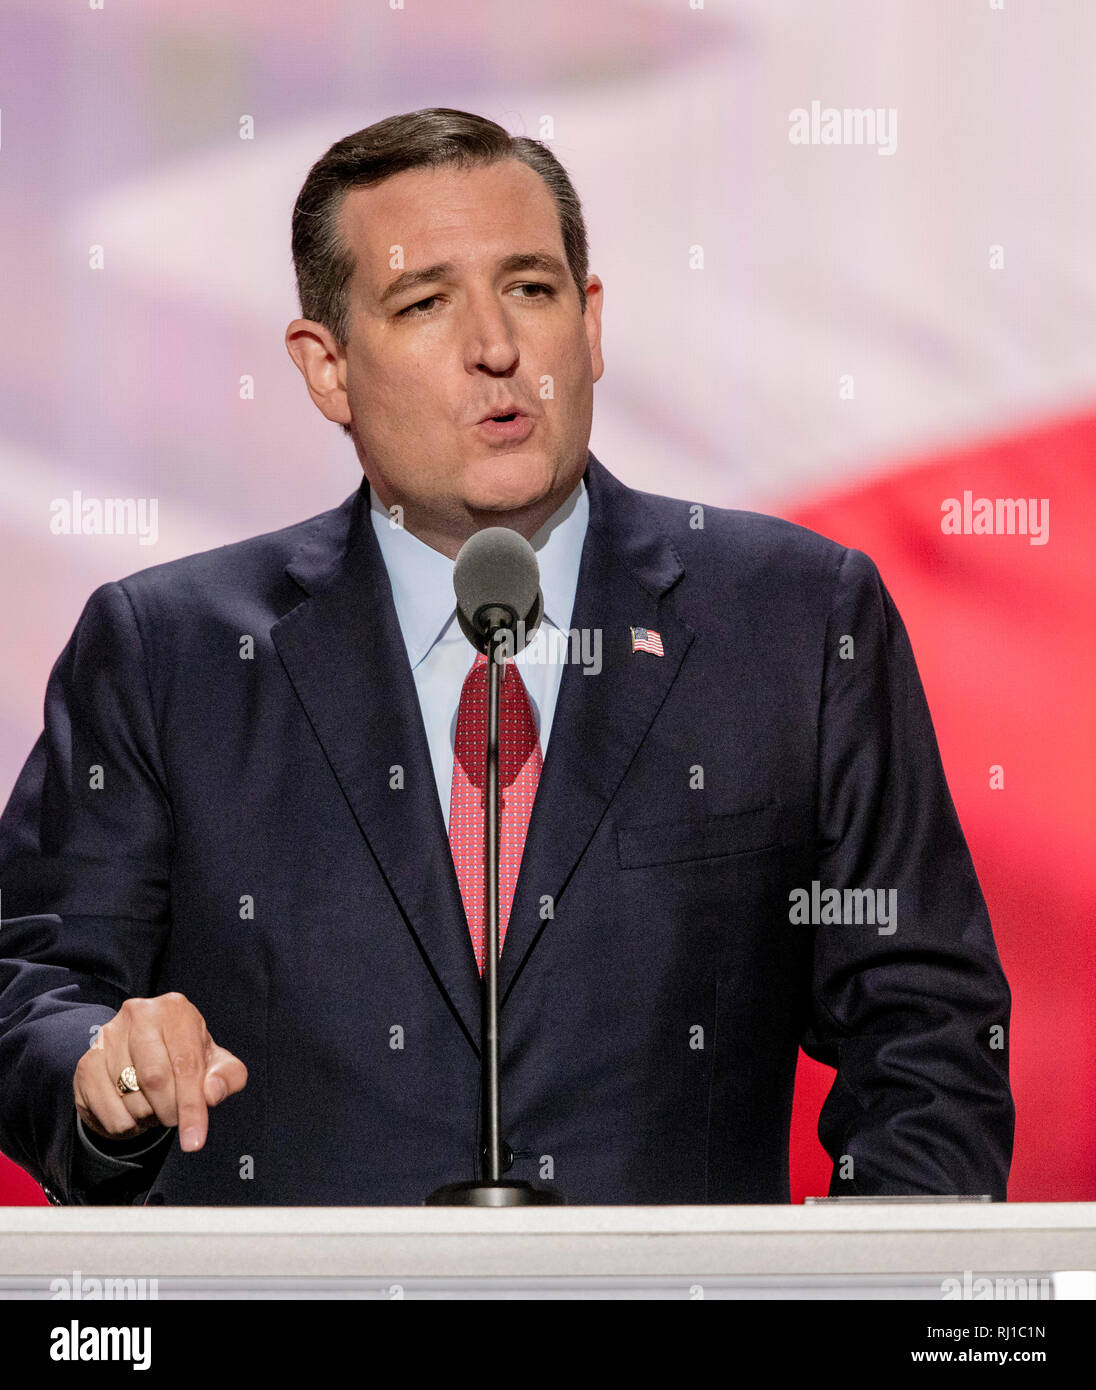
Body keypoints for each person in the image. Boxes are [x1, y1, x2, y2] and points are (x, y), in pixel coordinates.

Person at [0, 109, 1013, 1206]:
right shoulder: (170, 653)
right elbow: (31, 992)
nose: (496, 347)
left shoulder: (793, 621)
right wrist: (107, 1070)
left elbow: (930, 1034)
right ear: (326, 368)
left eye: (530, 288)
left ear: (590, 322)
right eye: (426, 302)